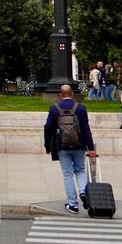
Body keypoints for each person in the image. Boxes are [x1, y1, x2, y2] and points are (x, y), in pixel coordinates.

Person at [43, 83, 96, 214]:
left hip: (62, 145)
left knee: (67, 174)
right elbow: (86, 129)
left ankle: (73, 204)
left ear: (60, 95)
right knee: (80, 170)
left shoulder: (54, 108)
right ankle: (83, 192)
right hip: (79, 144)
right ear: (72, 94)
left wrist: (47, 145)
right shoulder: (80, 108)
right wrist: (90, 147)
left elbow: (48, 127)